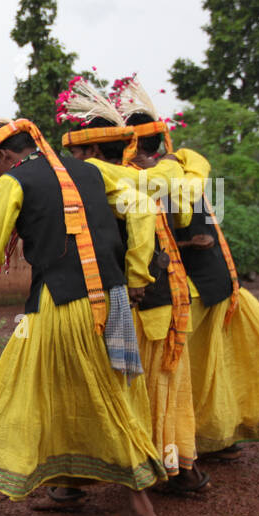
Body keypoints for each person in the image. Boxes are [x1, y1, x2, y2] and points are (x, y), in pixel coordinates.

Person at [0, 118, 164, 516]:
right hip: (113, 301)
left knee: (12, 391)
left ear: (8, 156)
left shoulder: (16, 181)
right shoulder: (92, 171)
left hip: (60, 302)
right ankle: (135, 505)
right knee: (110, 395)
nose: (2, 176)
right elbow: (143, 209)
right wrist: (136, 275)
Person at [113, 76, 259, 459]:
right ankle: (212, 437)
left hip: (192, 290)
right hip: (212, 283)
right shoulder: (184, 168)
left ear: (131, 147)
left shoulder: (154, 179)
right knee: (206, 368)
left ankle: (182, 446)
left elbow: (162, 232)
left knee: (180, 370)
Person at [57, 78, 208, 494]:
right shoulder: (158, 176)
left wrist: (137, 278)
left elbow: (146, 210)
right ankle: (177, 470)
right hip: (163, 298)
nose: (71, 161)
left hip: (139, 301)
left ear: (92, 150)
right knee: (163, 384)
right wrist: (187, 161)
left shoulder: (105, 176)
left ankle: (97, 478)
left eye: (76, 153)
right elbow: (184, 190)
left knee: (121, 388)